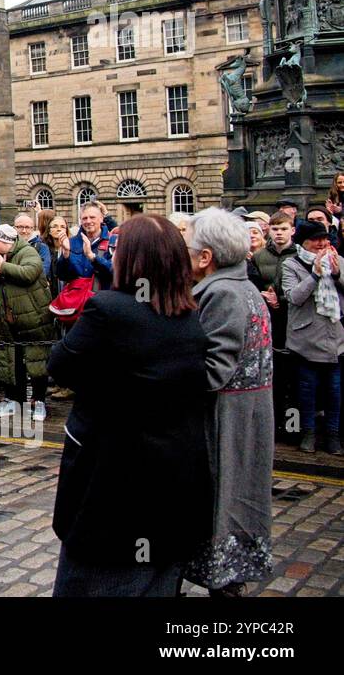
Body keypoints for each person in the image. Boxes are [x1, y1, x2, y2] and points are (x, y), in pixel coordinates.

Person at [48, 214, 212, 597]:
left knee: (96, 582)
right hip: (176, 480)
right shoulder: (188, 315)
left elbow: (61, 364)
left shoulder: (110, 309)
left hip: (115, 486)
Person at [184, 208, 275, 597]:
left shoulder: (221, 292)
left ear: (206, 257)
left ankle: (224, 580)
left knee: (223, 503)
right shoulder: (242, 287)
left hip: (226, 420)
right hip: (245, 415)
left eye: (189, 249)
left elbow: (213, 371)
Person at [0, 224, 58, 422]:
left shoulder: (27, 251)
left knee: (36, 361)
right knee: (9, 361)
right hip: (6, 319)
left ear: (5, 241)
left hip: (33, 317)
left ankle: (38, 401)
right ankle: (14, 399)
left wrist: (3, 267)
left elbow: (30, 273)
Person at [281, 219, 344, 454]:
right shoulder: (291, 264)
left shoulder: (338, 261)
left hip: (334, 338)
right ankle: (307, 433)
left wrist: (336, 273)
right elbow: (293, 297)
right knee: (306, 390)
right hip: (305, 339)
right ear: (304, 242)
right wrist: (315, 275)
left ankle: (333, 435)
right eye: (316, 239)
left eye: (324, 238)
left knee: (335, 391)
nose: (322, 243)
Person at [258, 212, 300, 442]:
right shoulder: (259, 256)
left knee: (294, 381)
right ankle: (274, 429)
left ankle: (293, 429)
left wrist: (280, 300)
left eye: (283, 228)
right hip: (269, 322)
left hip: (294, 321)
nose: (279, 233)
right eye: (275, 229)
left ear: (292, 230)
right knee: (274, 380)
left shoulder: (301, 255)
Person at [57, 201, 113, 292]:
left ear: (101, 218)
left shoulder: (113, 241)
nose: (88, 221)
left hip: (102, 300)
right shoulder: (71, 242)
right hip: (76, 301)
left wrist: (93, 257)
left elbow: (116, 272)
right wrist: (66, 254)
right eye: (84, 218)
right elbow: (62, 276)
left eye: (92, 217)